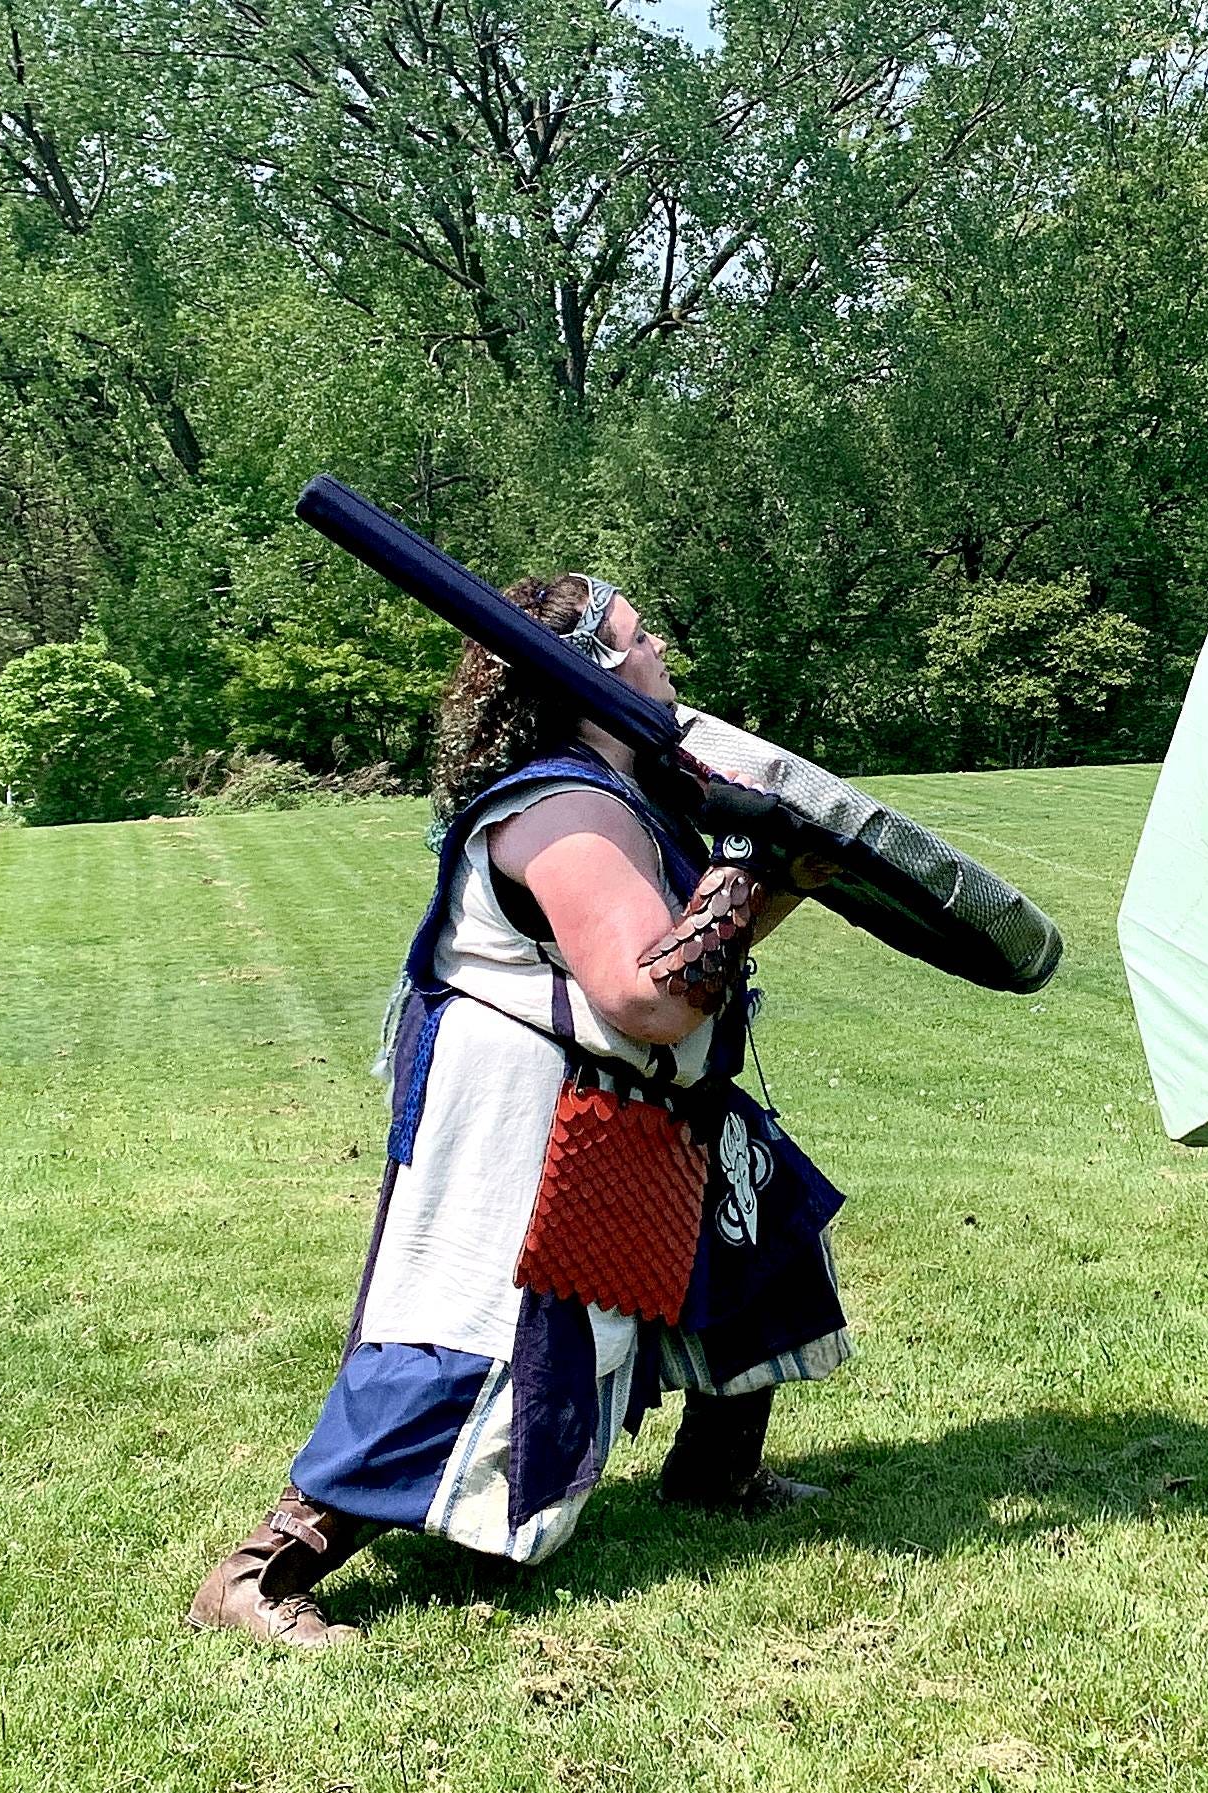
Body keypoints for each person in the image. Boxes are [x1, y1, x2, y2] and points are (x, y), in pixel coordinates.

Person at [189, 573, 850, 1648]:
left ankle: (717, 1472)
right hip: (527, 1118)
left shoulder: (618, 789)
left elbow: (682, 955)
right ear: (591, 672)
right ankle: (260, 1572)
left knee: (752, 1233)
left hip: (627, 1092)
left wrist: (774, 878)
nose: (662, 648)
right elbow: (645, 992)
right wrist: (742, 860)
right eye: (642, 638)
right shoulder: (565, 805)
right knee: (484, 1340)